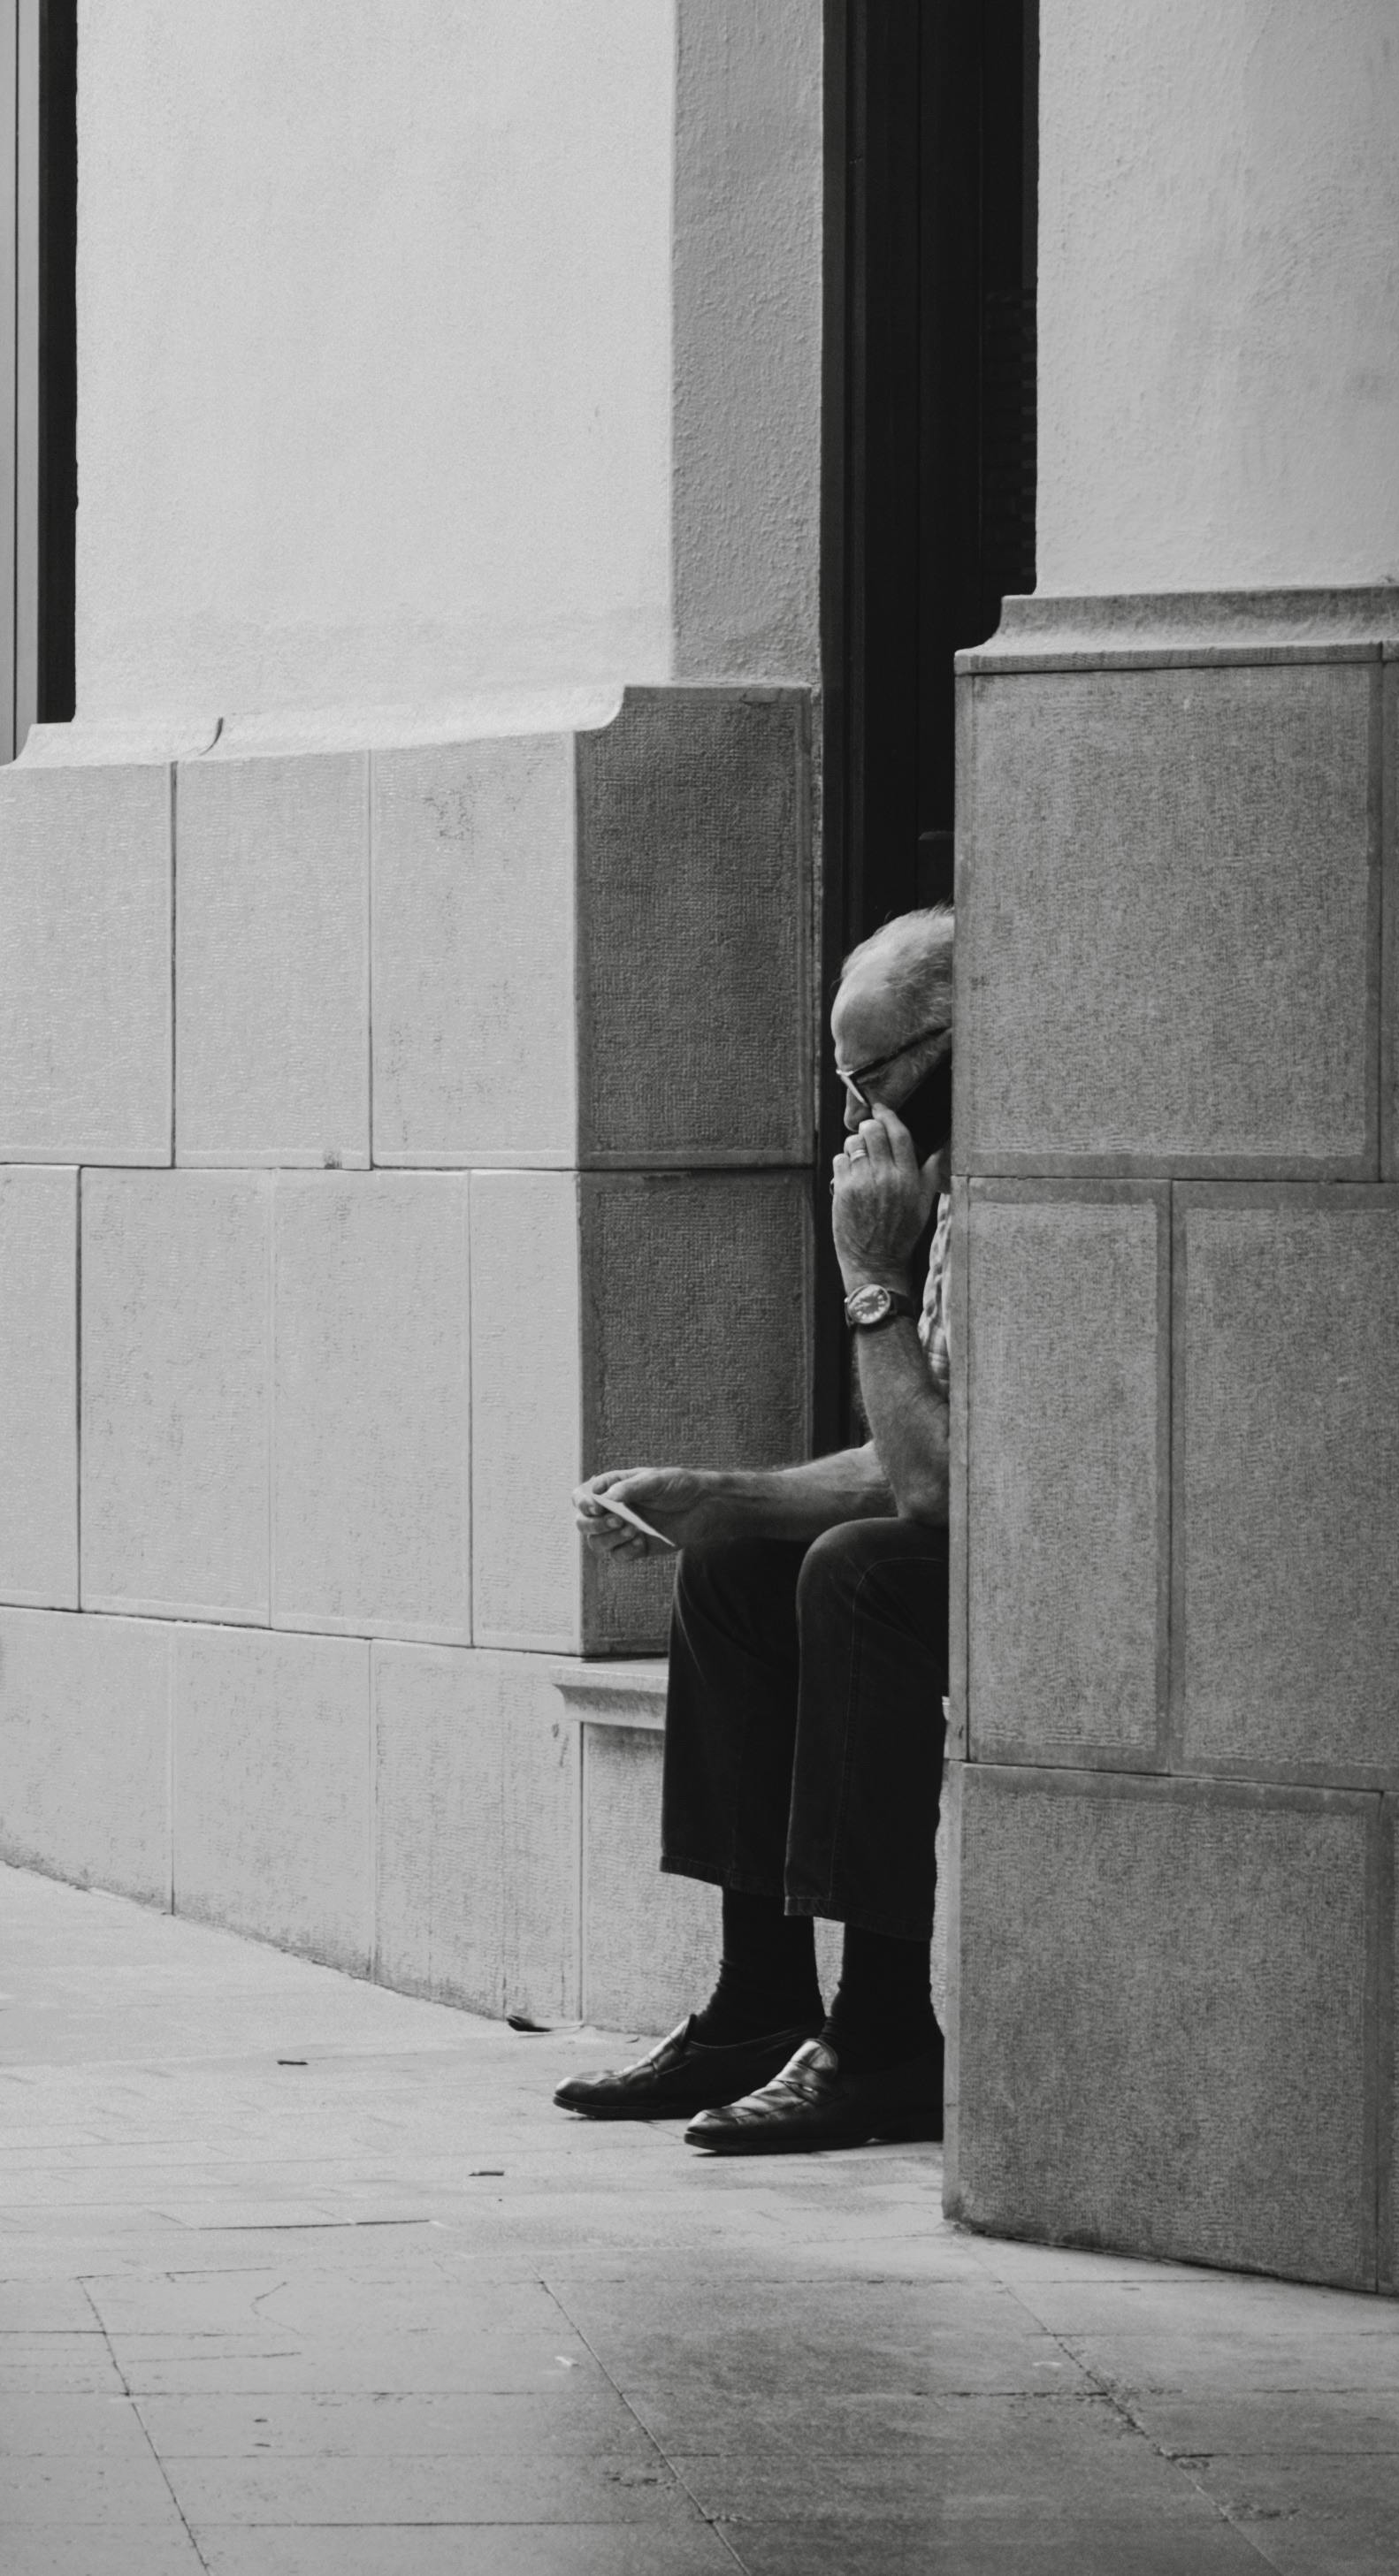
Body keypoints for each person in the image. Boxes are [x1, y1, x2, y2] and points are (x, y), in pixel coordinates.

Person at [558, 902, 956, 2153]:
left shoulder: (1016, 1192)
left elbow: (936, 1492)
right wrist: (715, 1495)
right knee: (733, 1564)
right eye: (840, 1081)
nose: (852, 1113)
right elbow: (910, 1457)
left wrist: (870, 1280)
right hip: (974, 1524)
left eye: (872, 1078)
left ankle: (884, 2034)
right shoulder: (936, 1183)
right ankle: (758, 2001)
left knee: (863, 1573)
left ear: (960, 1044)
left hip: (1099, 1564)